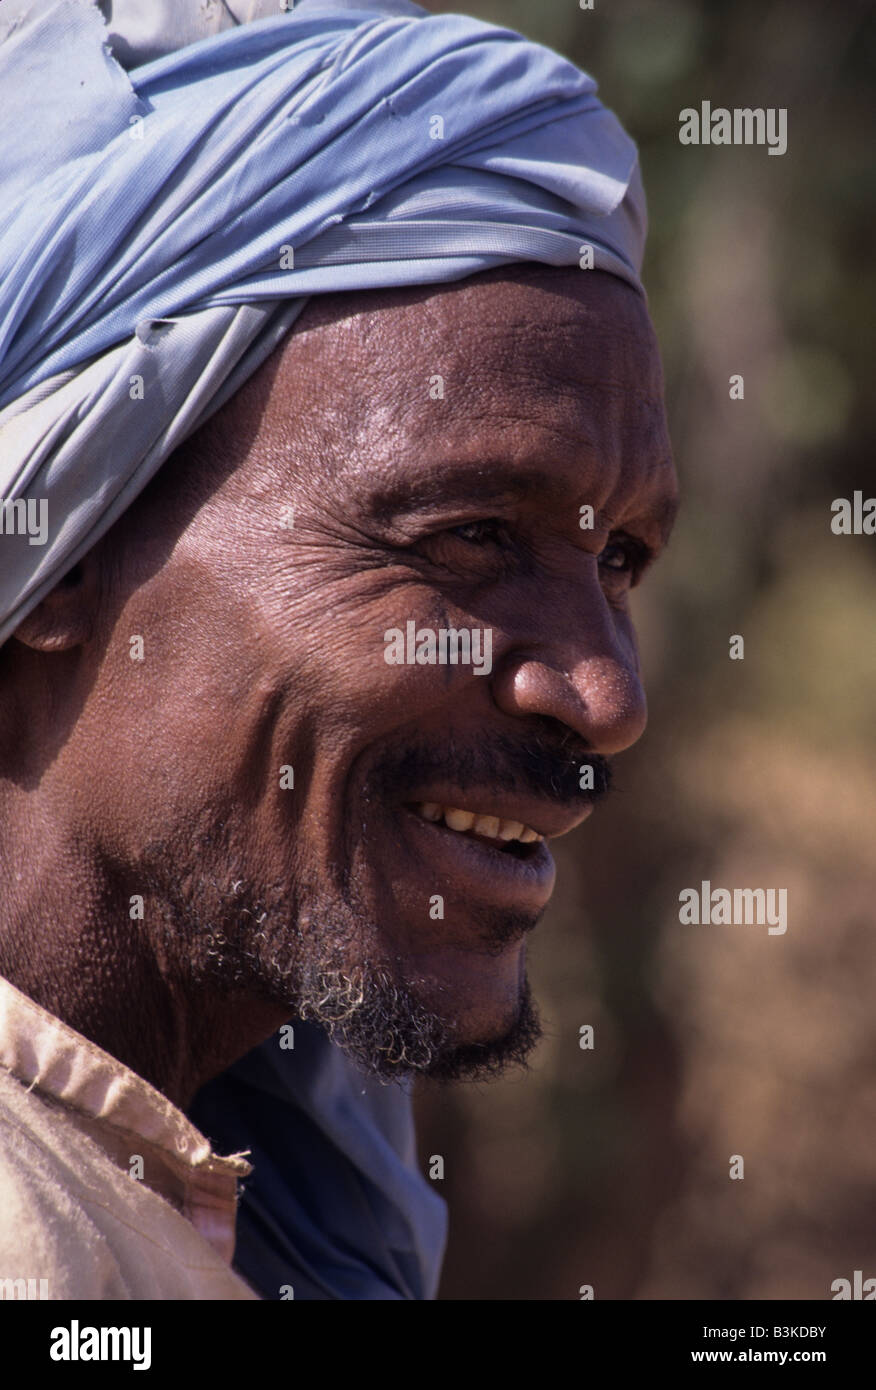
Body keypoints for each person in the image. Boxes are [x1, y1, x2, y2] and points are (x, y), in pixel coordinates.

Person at [0, 0, 678, 1299]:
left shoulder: (243, 1215)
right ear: (64, 552)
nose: (605, 694)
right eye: (474, 531)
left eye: (623, 562)